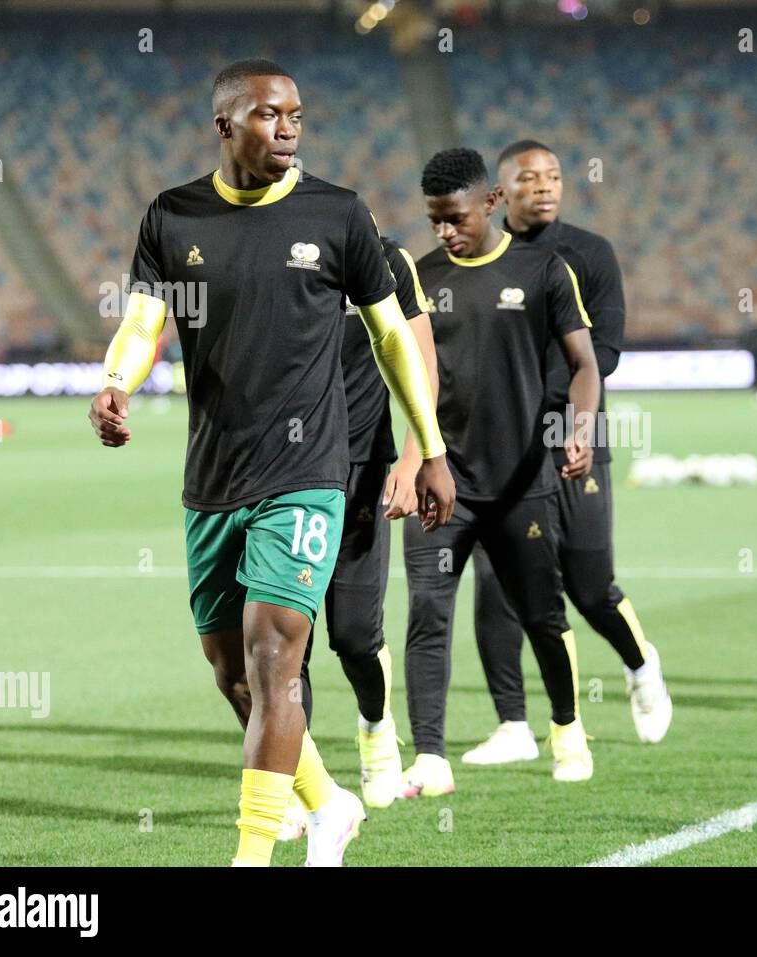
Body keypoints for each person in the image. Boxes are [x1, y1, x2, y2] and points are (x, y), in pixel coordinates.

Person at [87, 60, 454, 865]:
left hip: (308, 473)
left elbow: (393, 335)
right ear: (225, 126)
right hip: (213, 476)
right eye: (269, 115)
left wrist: (430, 446)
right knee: (234, 674)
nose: (289, 127)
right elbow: (145, 321)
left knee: (275, 652)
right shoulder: (173, 217)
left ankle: (251, 858)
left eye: (296, 114)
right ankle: (329, 804)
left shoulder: (337, 214)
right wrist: (116, 380)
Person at [397, 147, 601, 794]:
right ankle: (430, 754)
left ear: (489, 203)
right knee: (428, 612)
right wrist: (410, 460)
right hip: (444, 481)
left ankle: (567, 729)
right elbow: (405, 378)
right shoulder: (420, 278)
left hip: (520, 483)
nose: (445, 232)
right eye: (434, 221)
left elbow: (585, 366)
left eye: (454, 218)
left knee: (542, 613)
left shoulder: (544, 270)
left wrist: (582, 424)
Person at [462, 140, 671, 766]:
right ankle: (513, 725)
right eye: (529, 178)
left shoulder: (590, 254)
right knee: (497, 580)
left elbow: (603, 352)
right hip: (498, 443)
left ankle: (640, 666)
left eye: (553, 176)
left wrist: (543, 397)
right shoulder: (477, 258)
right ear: (501, 194)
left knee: (588, 584)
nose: (545, 186)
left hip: (574, 431)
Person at [278, 232, 436, 844]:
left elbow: (420, 361)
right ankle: (300, 785)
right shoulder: (267, 256)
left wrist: (414, 457)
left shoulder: (383, 258)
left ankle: (375, 725)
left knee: (353, 637)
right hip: (284, 472)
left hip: (361, 473)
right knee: (286, 639)